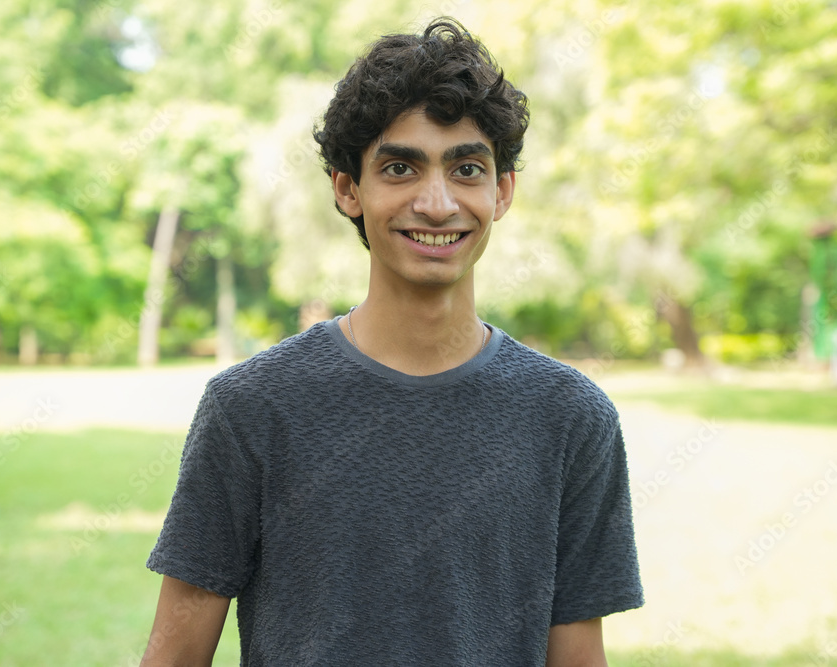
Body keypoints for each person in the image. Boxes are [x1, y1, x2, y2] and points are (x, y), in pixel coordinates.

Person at [140, 17, 643, 666]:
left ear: (502, 191)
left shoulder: (572, 418)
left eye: (466, 168)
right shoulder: (251, 409)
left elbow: (577, 655)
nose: (437, 203)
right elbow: (174, 656)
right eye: (401, 167)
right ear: (348, 189)